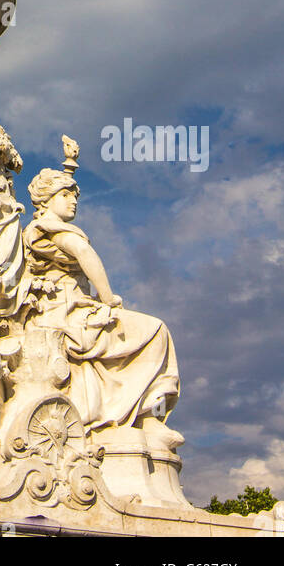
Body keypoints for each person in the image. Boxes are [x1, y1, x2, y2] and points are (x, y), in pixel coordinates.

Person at [23, 168, 180, 436]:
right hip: (64, 312)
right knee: (156, 332)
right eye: (65, 194)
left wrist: (70, 165)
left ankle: (143, 415)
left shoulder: (50, 228)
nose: (73, 201)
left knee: (151, 332)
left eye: (75, 196)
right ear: (46, 200)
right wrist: (108, 297)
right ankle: (146, 415)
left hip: (76, 307)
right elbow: (84, 252)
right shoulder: (47, 229)